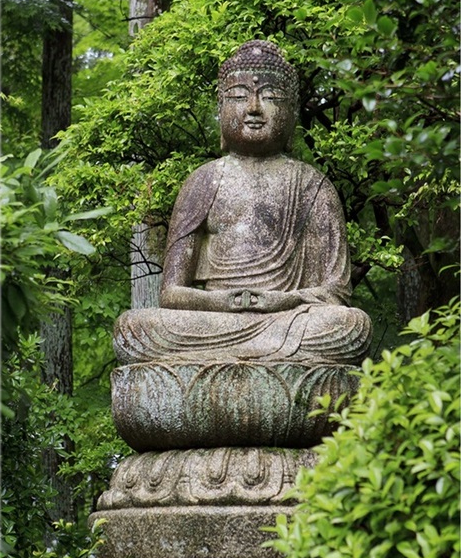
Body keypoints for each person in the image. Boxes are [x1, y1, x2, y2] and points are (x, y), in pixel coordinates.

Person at [113, 40, 372, 366]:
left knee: (349, 326)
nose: (253, 108)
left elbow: (335, 293)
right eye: (238, 96)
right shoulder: (202, 181)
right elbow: (171, 293)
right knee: (134, 329)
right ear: (221, 110)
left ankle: (235, 360)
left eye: (271, 98)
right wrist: (225, 302)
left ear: (292, 113)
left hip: (287, 319)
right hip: (215, 319)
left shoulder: (312, 185)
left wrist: (277, 302)